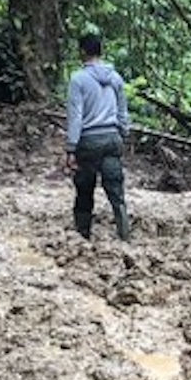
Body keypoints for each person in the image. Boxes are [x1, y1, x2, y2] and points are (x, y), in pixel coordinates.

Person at [64, 32, 131, 240]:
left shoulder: (78, 79)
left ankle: (83, 234)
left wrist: (71, 147)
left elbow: (76, 116)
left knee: (85, 188)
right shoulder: (116, 78)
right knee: (116, 190)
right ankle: (124, 234)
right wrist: (124, 134)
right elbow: (123, 112)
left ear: (83, 51)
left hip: (89, 141)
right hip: (112, 138)